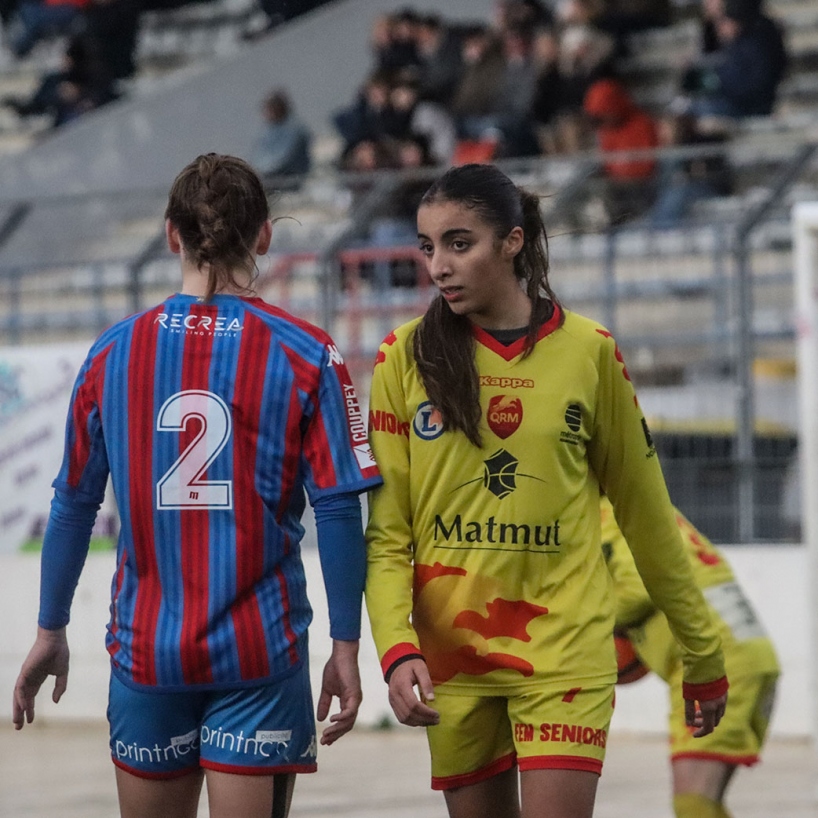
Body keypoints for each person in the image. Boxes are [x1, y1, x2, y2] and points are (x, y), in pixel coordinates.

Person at [12, 154, 382, 818]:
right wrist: (347, 646)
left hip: (148, 653)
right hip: (260, 654)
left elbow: (72, 501)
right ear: (264, 236)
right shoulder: (308, 353)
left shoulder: (112, 352)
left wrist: (50, 627)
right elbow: (337, 508)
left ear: (170, 234)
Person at [364, 162, 728, 818]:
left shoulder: (590, 353)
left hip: (563, 650)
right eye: (427, 247)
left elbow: (650, 520)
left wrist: (701, 652)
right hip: (452, 655)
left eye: (458, 242)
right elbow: (389, 534)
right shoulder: (402, 358)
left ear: (512, 242)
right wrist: (395, 648)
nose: (437, 265)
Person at [601, 496, 779, 818]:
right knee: (706, 804)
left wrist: (580, 620)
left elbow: (639, 586)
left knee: (693, 802)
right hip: (752, 657)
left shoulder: (607, 516)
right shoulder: (652, 508)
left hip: (718, 666)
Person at [251, 88, 312, 186]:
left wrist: (262, 171)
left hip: (289, 179)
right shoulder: (268, 131)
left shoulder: (295, 130)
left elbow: (282, 160)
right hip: (269, 177)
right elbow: (259, 156)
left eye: (270, 109)